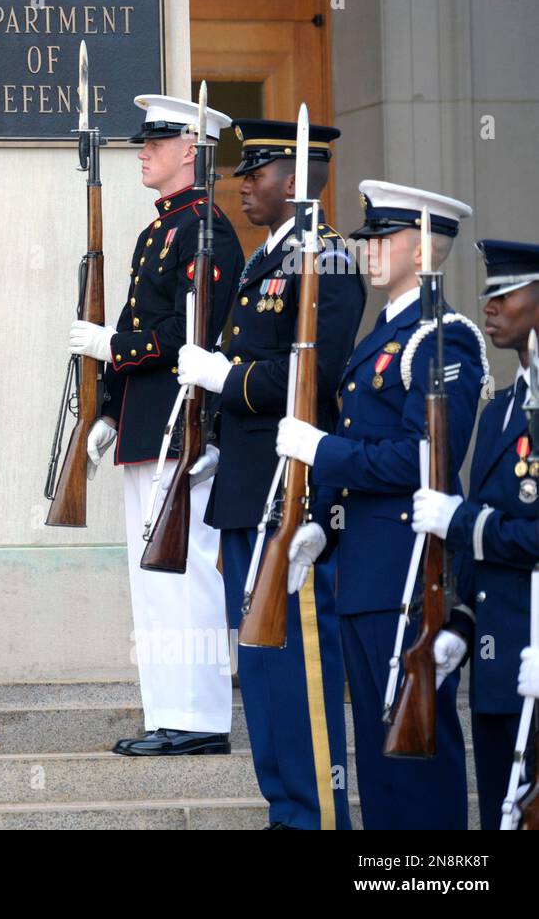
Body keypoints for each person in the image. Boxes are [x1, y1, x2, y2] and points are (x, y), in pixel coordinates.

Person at [178, 118, 365, 829]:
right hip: (245, 491)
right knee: (259, 667)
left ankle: (318, 812)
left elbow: (313, 374)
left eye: (255, 172)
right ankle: (285, 808)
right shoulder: (266, 259)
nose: (242, 185)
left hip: (294, 491)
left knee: (298, 669)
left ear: (294, 180)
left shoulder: (331, 261)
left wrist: (227, 378)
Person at [280, 181, 481, 829]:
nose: (367, 249)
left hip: (407, 572)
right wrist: (319, 521)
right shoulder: (383, 335)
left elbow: (424, 458)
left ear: (421, 249)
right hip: (365, 569)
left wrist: (324, 453)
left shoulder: (442, 339)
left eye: (383, 238)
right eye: (366, 238)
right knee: (378, 751)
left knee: (418, 746)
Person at [69, 94, 244, 754]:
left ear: (190, 152)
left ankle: (199, 718)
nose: (142, 150)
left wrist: (110, 346)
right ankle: (169, 711)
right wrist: (110, 409)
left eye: (157, 141)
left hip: (183, 424)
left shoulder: (208, 230)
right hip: (146, 427)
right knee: (152, 579)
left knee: (187, 572)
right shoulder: (159, 231)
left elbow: (184, 334)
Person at [412, 239, 539, 829]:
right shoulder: (500, 409)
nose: (489, 307)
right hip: (497, 667)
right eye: (486, 295)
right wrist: (462, 622)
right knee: (497, 816)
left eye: (504, 294)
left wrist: (460, 521)